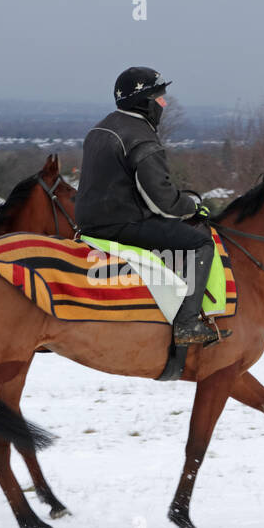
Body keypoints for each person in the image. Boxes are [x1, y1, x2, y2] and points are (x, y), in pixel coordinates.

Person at [76, 67, 222, 346]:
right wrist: (191, 207)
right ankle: (187, 323)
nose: (163, 104)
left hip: (88, 223)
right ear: (144, 102)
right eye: (160, 98)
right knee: (201, 242)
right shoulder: (141, 136)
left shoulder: (101, 127)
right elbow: (162, 201)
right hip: (123, 225)